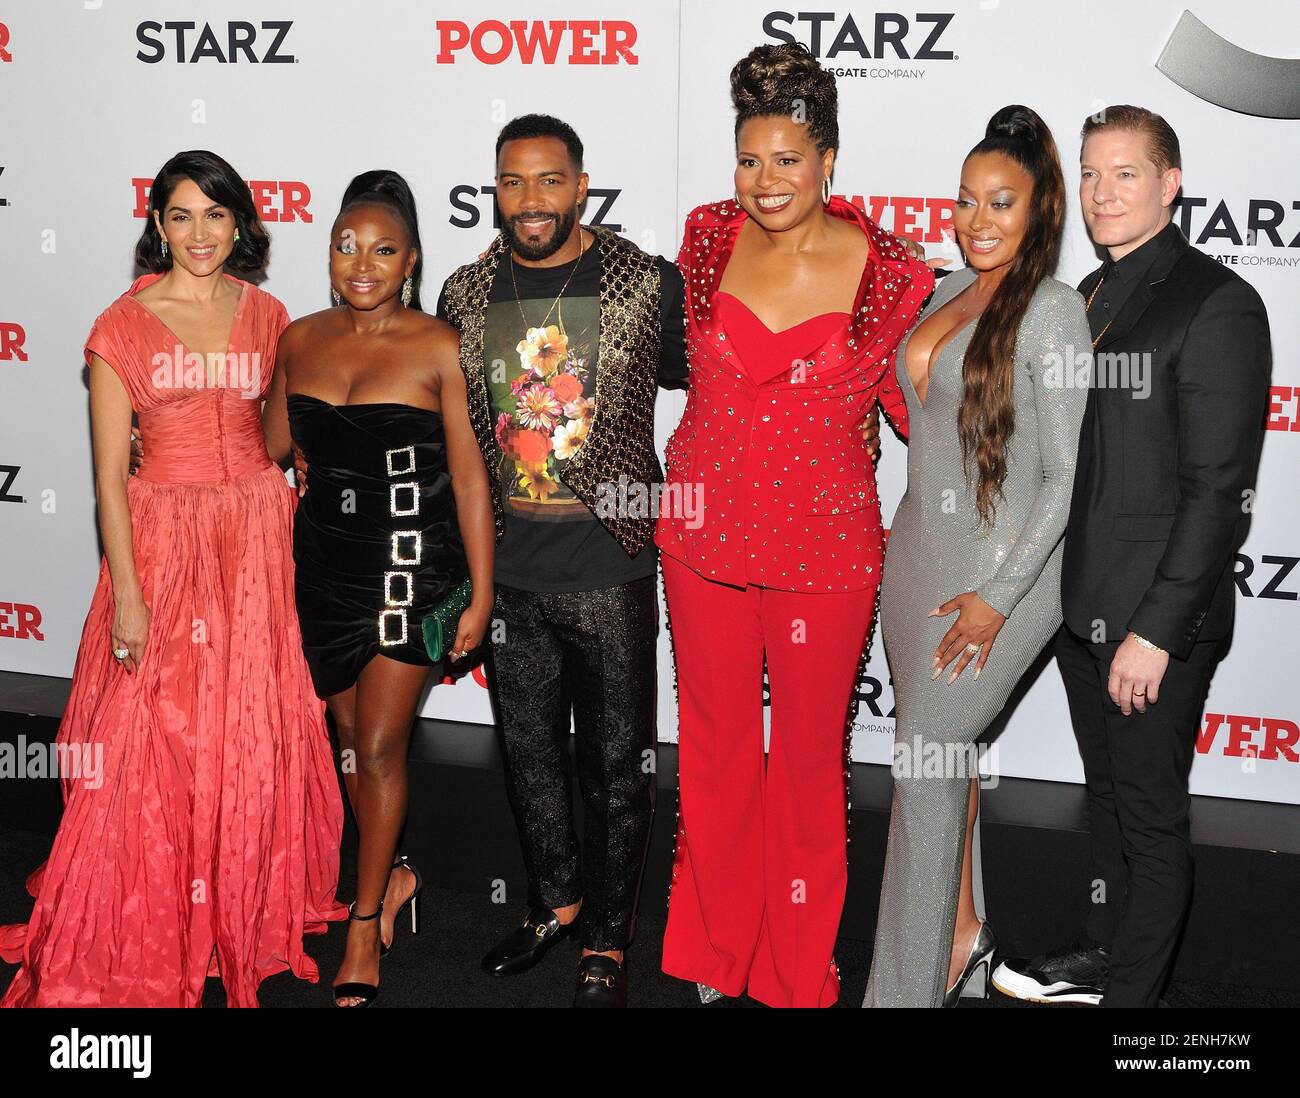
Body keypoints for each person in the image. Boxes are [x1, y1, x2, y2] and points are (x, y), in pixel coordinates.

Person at [0, 150, 346, 1007]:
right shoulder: (121, 326)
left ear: (241, 226)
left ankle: (242, 898)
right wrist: (128, 593)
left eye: (216, 215)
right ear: (157, 224)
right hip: (162, 538)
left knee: (247, 723)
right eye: (182, 215)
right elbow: (109, 477)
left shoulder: (270, 316)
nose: (200, 233)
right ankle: (152, 912)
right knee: (152, 733)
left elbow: (278, 437)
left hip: (259, 536)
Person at [655, 43, 935, 1008]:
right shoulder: (703, 237)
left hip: (826, 549)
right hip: (702, 536)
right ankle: (715, 950)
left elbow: (918, 410)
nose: (765, 181)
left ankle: (795, 967)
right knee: (716, 747)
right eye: (749, 159)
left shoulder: (896, 271)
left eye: (786, 160)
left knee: (809, 768)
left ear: (827, 159)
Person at [992, 106, 1270, 1008]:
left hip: (1154, 623)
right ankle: (1103, 955)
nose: (1104, 193)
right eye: (1092, 174)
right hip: (1086, 612)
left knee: (1150, 824)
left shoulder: (1216, 300)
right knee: (1107, 805)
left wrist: (1155, 630)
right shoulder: (1088, 300)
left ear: (1170, 184)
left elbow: (1217, 489)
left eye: (1126, 174)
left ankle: (1134, 1014)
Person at [436, 114, 688, 1007]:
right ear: (494, 189)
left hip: (610, 560)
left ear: (581, 185)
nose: (531, 200)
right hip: (508, 571)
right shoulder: (466, 296)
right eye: (513, 182)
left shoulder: (644, 283)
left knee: (618, 763)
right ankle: (557, 900)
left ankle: (610, 940)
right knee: (531, 754)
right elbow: (451, 432)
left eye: (549, 181)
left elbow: (721, 390)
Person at [862, 107, 1090, 1008]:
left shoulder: (1056, 312)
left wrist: (997, 594)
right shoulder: (949, 284)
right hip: (917, 559)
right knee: (941, 767)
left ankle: (899, 996)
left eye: (1001, 203)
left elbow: (1068, 478)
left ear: (1040, 212)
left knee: (921, 769)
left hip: (1007, 575)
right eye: (965, 200)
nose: (978, 219)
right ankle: (961, 945)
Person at [263, 171, 495, 1007]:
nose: (362, 262)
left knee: (383, 747)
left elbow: (470, 478)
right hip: (326, 567)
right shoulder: (299, 337)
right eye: (346, 245)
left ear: (412, 259)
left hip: (413, 570)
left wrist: (479, 593)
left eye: (382, 249)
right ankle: (393, 874)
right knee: (352, 743)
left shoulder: (438, 344)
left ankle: (363, 925)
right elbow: (273, 445)